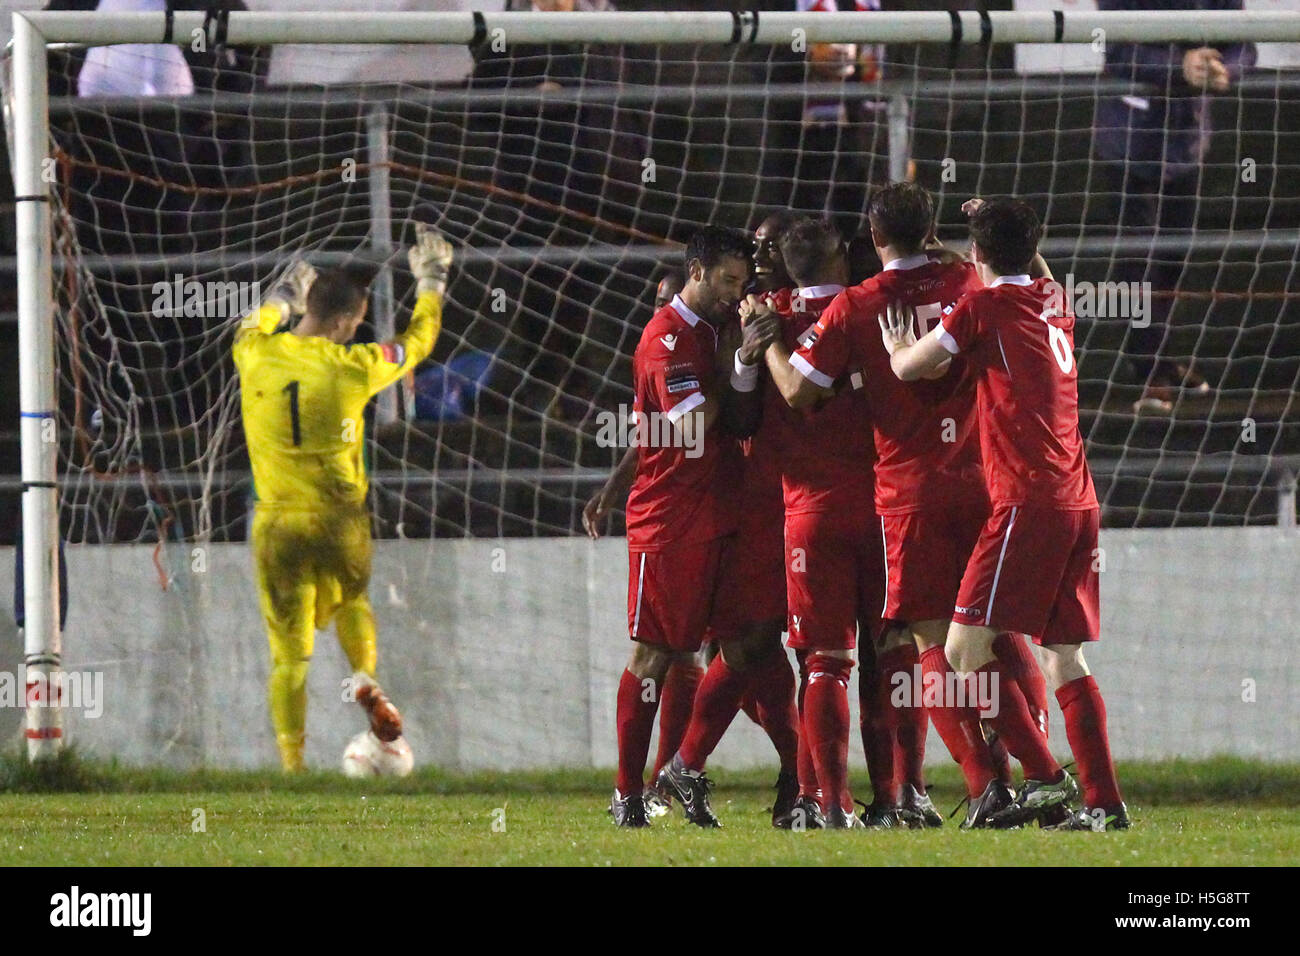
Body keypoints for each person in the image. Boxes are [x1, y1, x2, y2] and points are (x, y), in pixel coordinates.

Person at [882, 200, 1126, 830]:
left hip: (1027, 501)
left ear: (978, 255)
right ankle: (1105, 806)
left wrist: (895, 347)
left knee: (962, 650)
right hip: (1080, 500)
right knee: (1064, 656)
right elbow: (1034, 268)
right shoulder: (1053, 301)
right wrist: (990, 239)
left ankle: (1045, 781)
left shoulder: (983, 307)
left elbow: (916, 365)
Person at [232, 224, 453, 772]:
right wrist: (431, 281)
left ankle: (293, 768)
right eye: (354, 325)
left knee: (289, 658)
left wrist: (286, 293)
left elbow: (259, 317)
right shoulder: (355, 367)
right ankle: (365, 682)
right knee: (352, 603)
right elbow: (417, 344)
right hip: (340, 523)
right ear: (342, 324)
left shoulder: (252, 352)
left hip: (278, 524)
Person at [609, 226, 766, 828]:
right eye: (727, 281)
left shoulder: (715, 329)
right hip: (672, 518)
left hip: (726, 511)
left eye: (741, 283)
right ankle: (627, 793)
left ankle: (683, 767)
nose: (735, 293)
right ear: (696, 273)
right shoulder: (666, 338)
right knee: (657, 654)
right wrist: (737, 363)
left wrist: (743, 359)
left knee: (749, 643)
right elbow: (694, 424)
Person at [1095, 0, 1256, 413]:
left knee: (1174, 256)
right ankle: (1147, 369)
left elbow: (1245, 44)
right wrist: (1179, 66)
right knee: (1137, 258)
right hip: (1130, 140)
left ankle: (1160, 359)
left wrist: (1225, 68)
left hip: (1186, 143)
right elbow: (1114, 48)